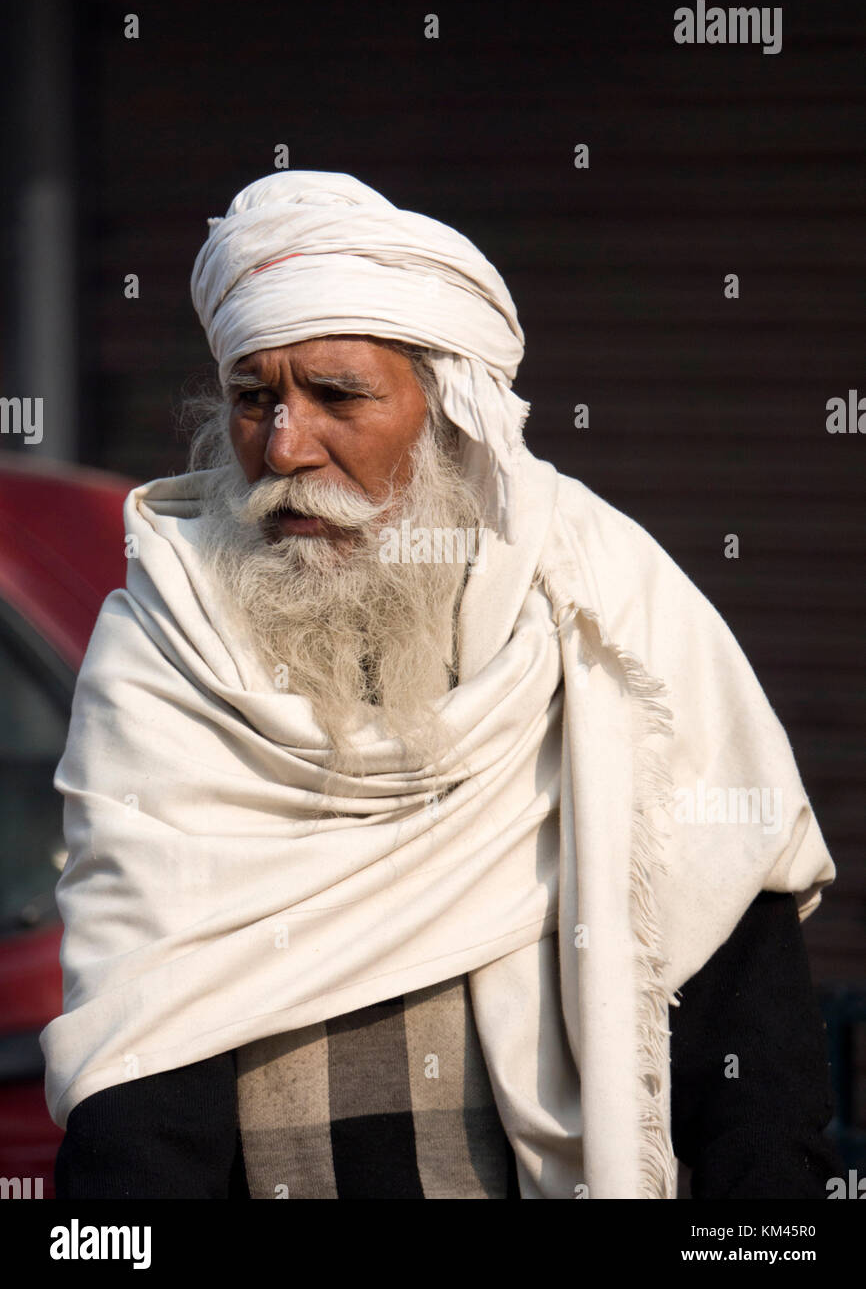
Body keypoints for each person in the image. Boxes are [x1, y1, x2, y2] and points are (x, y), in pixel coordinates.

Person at [43, 170, 844, 1199]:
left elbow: (748, 1050)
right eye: (255, 400)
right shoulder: (166, 640)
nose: (284, 447)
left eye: (338, 398)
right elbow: (139, 1060)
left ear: (451, 413)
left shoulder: (609, 607)